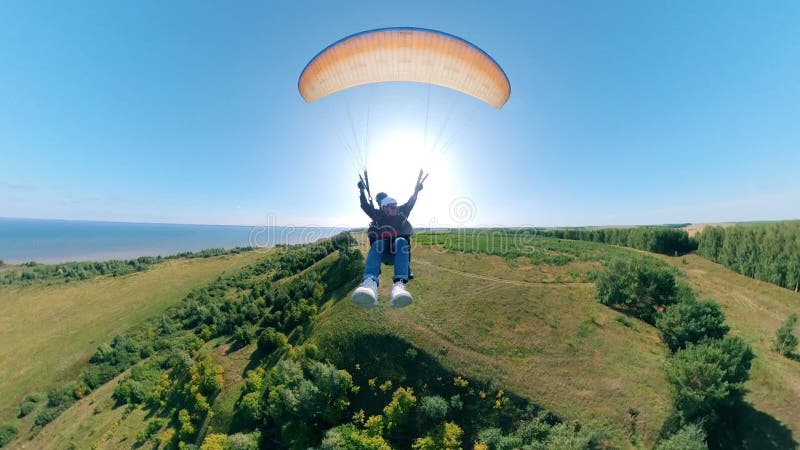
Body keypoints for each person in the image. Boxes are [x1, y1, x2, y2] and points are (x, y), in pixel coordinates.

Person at [352, 173, 425, 308]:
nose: (395, 209)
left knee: (401, 241)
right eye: (391, 207)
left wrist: (416, 191)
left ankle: (399, 285)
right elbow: (364, 205)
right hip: (383, 252)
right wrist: (361, 190)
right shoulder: (377, 215)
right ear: (383, 207)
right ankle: (370, 283)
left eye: (395, 207)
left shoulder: (400, 212)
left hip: (397, 252)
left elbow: (410, 203)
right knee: (378, 243)